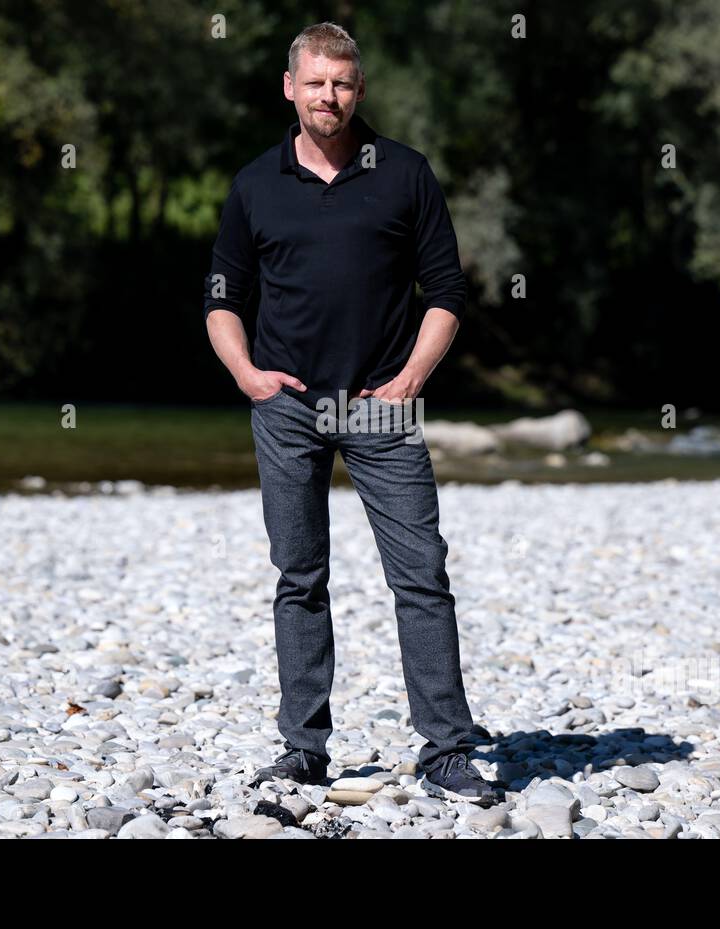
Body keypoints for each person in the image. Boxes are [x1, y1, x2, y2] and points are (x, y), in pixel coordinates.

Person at [202, 22, 496, 807]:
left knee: (421, 576)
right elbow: (222, 300)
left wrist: (405, 384)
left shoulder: (403, 173)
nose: (328, 96)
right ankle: (303, 749)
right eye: (315, 82)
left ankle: (446, 750)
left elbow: (448, 294)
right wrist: (249, 375)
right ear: (290, 88)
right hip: (290, 407)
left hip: (377, 407)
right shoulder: (256, 184)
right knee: (299, 578)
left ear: (357, 91)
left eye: (342, 83)